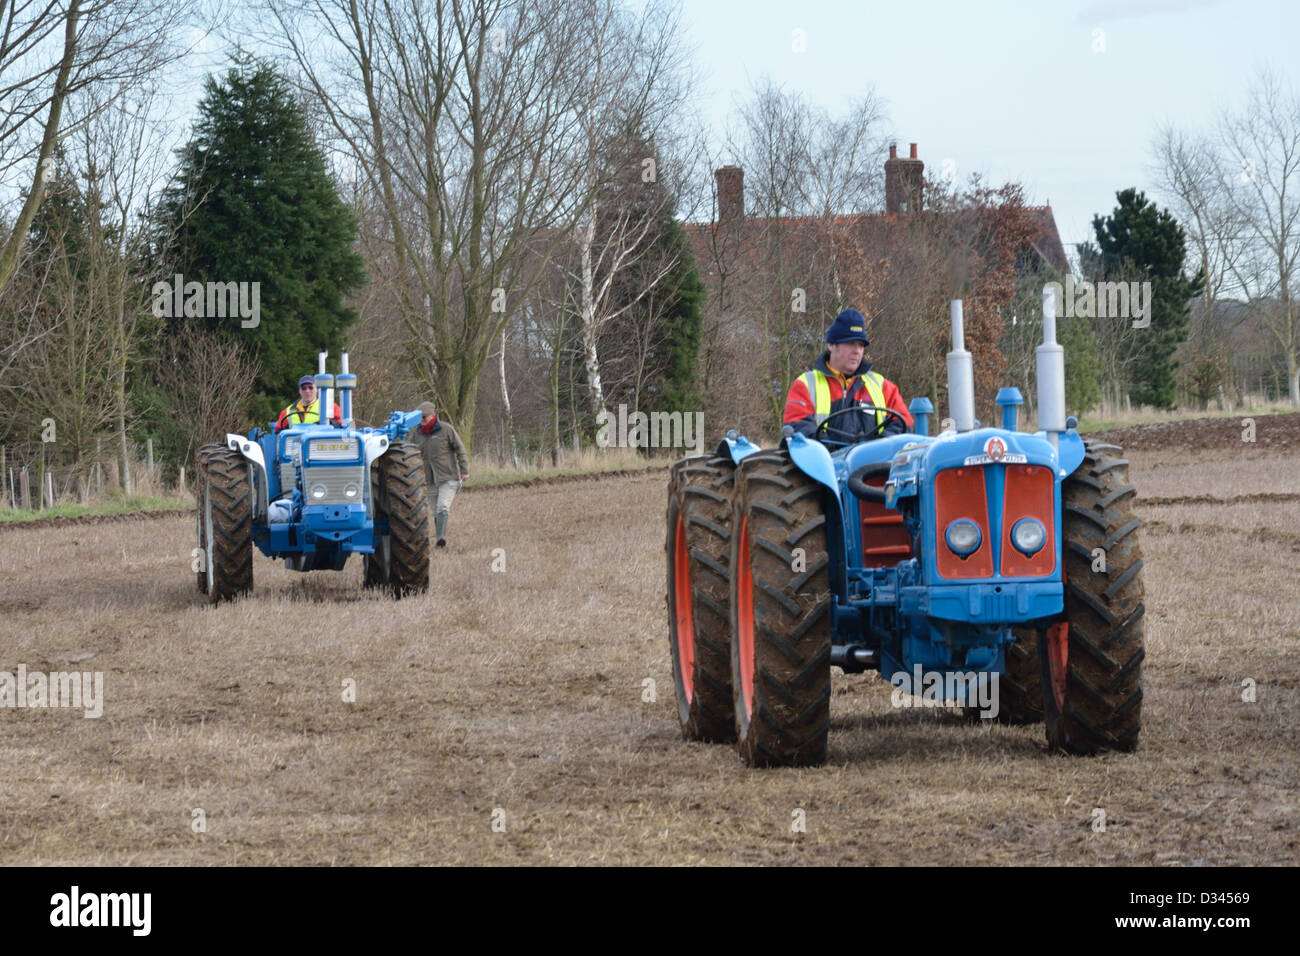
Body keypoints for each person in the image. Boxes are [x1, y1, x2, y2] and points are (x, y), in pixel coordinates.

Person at [783, 308, 914, 443]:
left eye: (861, 345)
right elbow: (796, 426)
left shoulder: (881, 386)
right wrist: (824, 445)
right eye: (851, 344)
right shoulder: (805, 385)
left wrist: (878, 447)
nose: (857, 351)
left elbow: (904, 423)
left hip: (874, 462)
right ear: (831, 345)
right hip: (826, 461)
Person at [412, 401, 469, 548]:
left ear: (433, 415)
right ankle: (440, 539)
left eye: (425, 417)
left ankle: (440, 538)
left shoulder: (446, 429)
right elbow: (412, 456)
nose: (422, 420)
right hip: (428, 479)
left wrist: (464, 470)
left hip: (448, 477)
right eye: (420, 418)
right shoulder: (416, 434)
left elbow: (460, 449)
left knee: (443, 506)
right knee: (435, 511)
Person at [275, 375, 342, 431]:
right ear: (299, 391)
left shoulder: (329, 407)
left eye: (311, 387)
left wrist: (328, 424)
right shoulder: (287, 412)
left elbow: (341, 423)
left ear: (316, 389)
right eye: (304, 388)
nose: (307, 391)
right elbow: (278, 432)